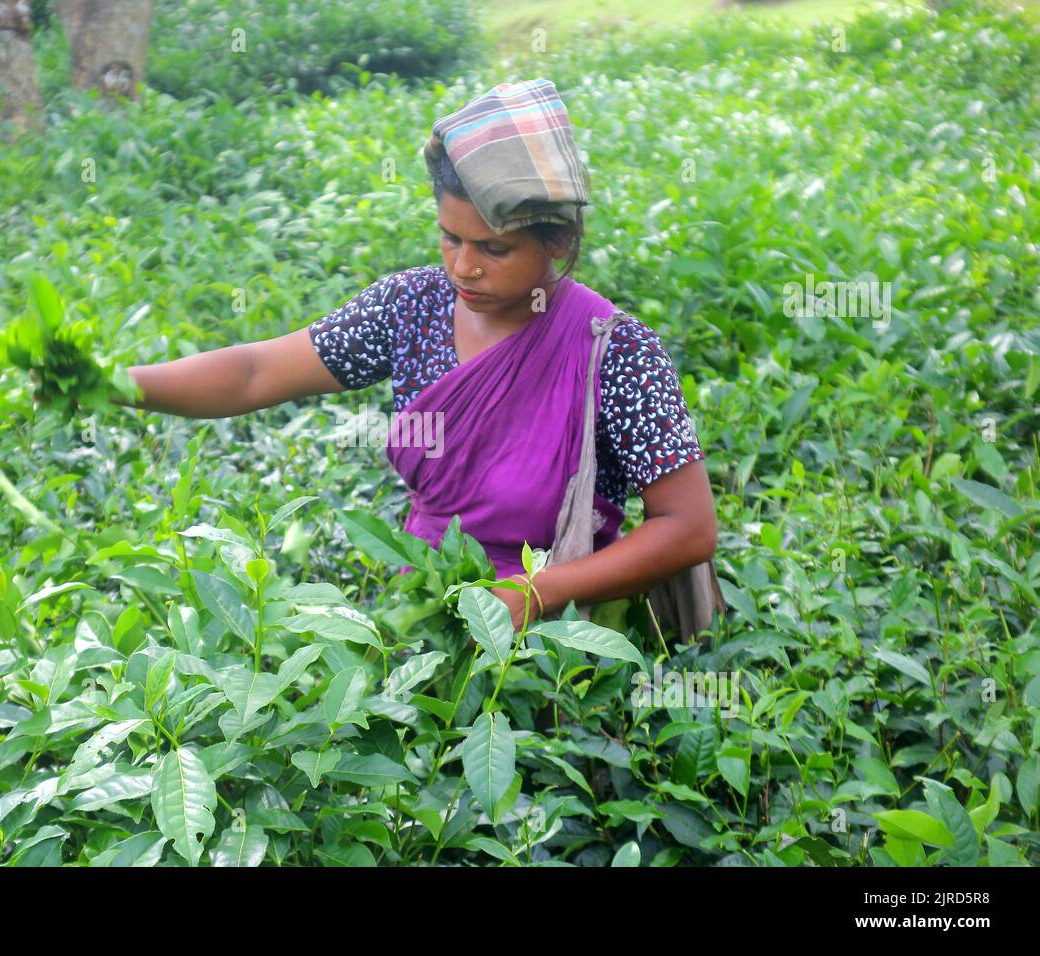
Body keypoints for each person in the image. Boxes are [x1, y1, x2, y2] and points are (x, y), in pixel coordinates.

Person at [105, 79, 719, 637]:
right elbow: (253, 374)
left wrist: (538, 591)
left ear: (556, 241)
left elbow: (688, 528)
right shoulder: (411, 308)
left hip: (560, 633)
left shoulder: (613, 351)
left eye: (493, 249)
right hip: (422, 604)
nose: (463, 266)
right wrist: (111, 383)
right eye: (450, 238)